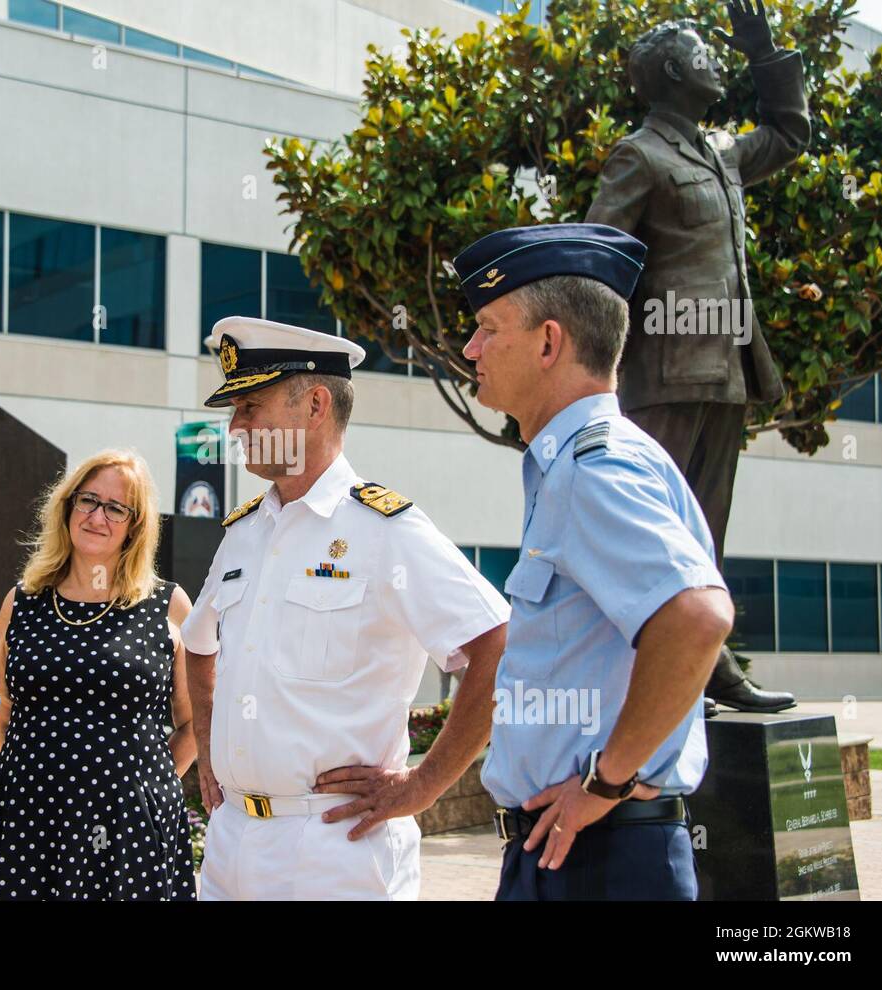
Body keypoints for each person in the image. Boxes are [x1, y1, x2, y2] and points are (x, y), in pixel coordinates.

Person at [182, 316, 510, 901]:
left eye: (250, 406)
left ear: (314, 404)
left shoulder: (386, 530)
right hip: (232, 844)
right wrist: (207, 749)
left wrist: (424, 786)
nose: (235, 427)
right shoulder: (245, 531)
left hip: (335, 850)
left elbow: (498, 645)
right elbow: (197, 642)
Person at [452, 223, 736, 900]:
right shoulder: (588, 459)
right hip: (576, 849)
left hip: (600, 857)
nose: (470, 349)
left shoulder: (592, 469)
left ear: (549, 342)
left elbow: (697, 617)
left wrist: (606, 782)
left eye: (489, 328)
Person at [584, 2, 806, 713]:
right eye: (707, 53)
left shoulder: (722, 150)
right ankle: (636, 684)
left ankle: (707, 672)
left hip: (726, 371)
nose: (718, 63)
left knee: (704, 531)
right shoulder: (638, 155)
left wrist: (760, 45)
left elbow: (790, 132)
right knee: (655, 535)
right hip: (663, 377)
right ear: (676, 72)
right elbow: (597, 263)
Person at [0, 450, 197, 900]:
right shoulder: (22, 601)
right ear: (67, 506)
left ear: (136, 525)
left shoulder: (168, 604)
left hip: (131, 827)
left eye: (115, 507)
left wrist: (150, 782)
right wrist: (40, 771)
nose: (97, 516)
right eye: (87, 500)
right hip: (28, 819)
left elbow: (196, 719)